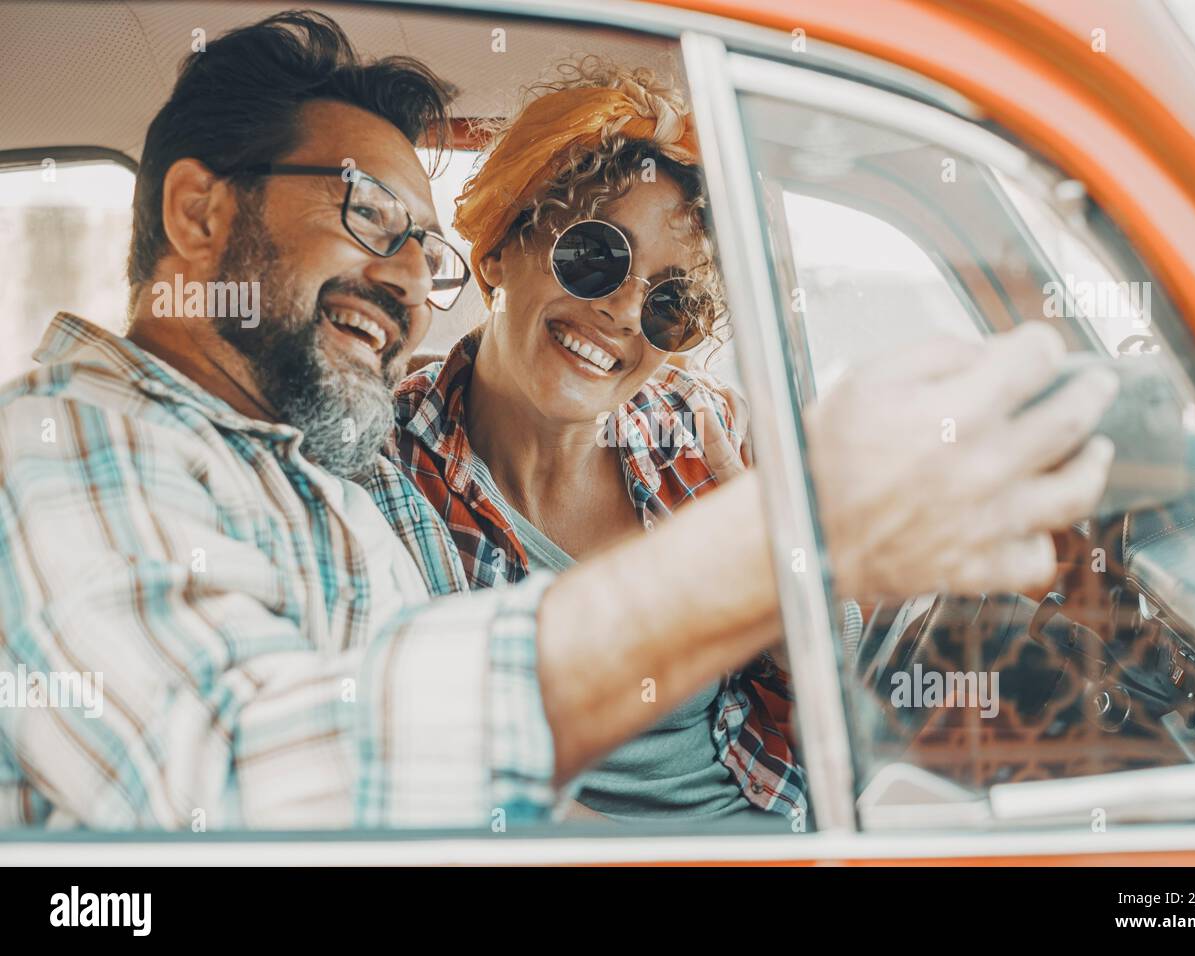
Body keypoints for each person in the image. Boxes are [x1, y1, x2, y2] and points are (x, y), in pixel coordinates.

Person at [0, 11, 1117, 830]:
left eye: (675, 305)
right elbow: (236, 789)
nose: (399, 280)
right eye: (367, 215)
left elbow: (885, 651)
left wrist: (1033, 616)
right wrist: (763, 543)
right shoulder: (65, 449)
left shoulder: (304, 456)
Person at [392, 59, 802, 823]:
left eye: (670, 301)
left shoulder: (708, 435)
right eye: (596, 254)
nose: (621, 311)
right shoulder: (387, 468)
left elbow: (837, 689)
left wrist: (789, 596)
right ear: (499, 247)